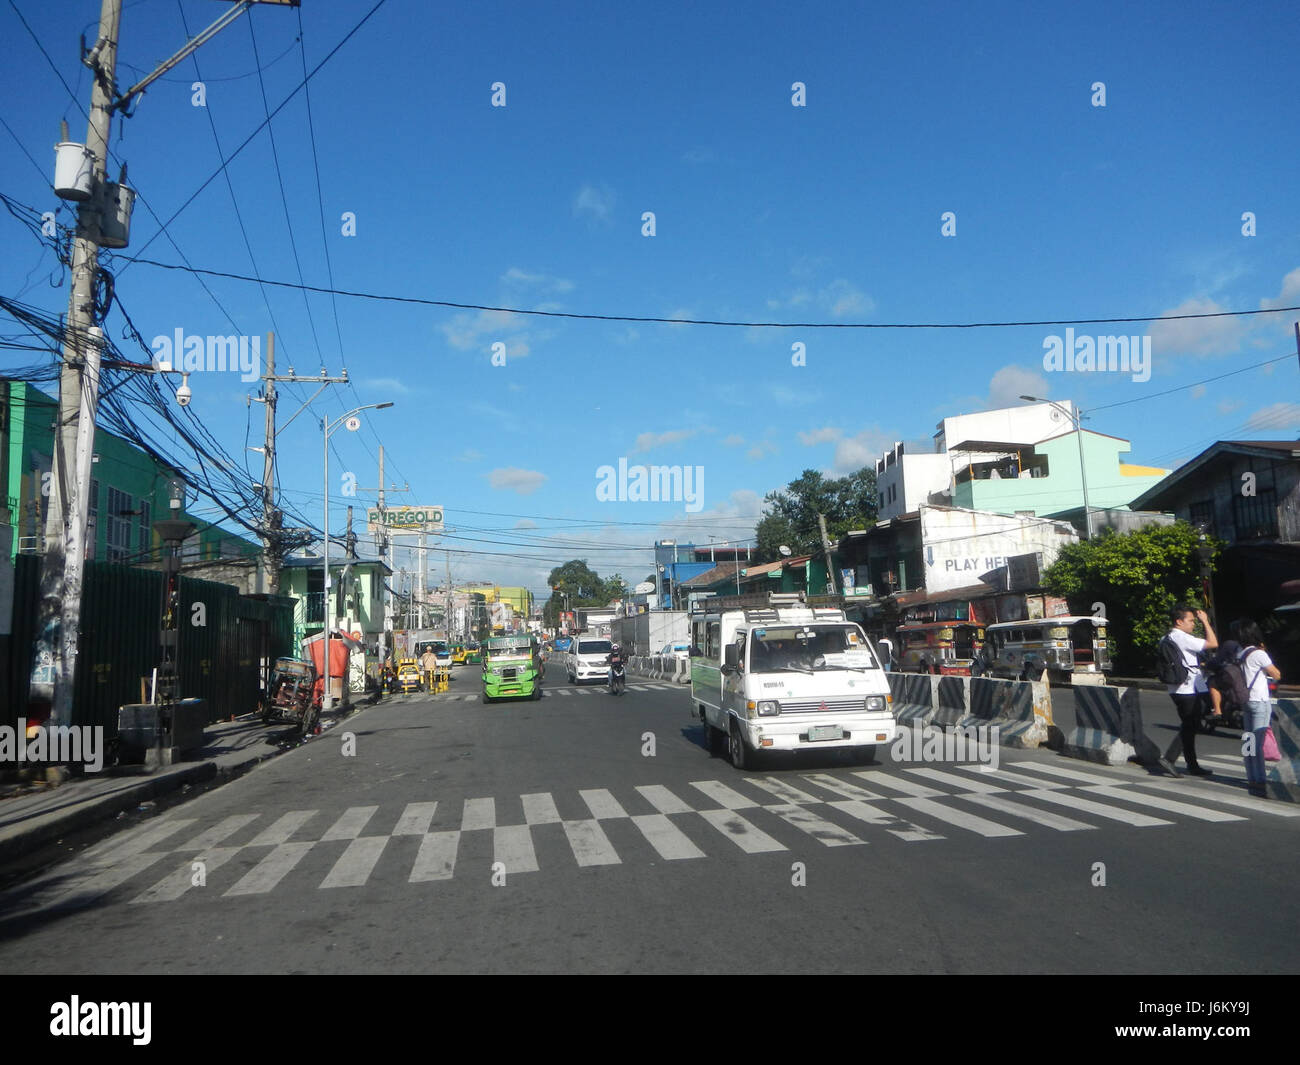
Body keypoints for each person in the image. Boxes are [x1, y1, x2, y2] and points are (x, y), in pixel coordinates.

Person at [1164, 605, 1218, 776]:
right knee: (1190, 725)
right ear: (1179, 622)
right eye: (1191, 621)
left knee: (1191, 725)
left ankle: (1192, 764)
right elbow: (1213, 643)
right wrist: (1205, 622)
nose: (1193, 624)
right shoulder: (1182, 637)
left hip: (1178, 687)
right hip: (1187, 688)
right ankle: (1169, 759)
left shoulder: (1167, 637)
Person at [1233, 620, 1281, 797]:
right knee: (1258, 740)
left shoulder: (1240, 652)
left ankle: (1251, 776)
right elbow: (1276, 674)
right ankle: (1260, 779)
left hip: (1246, 700)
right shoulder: (1259, 654)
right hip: (1259, 700)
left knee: (1249, 739)